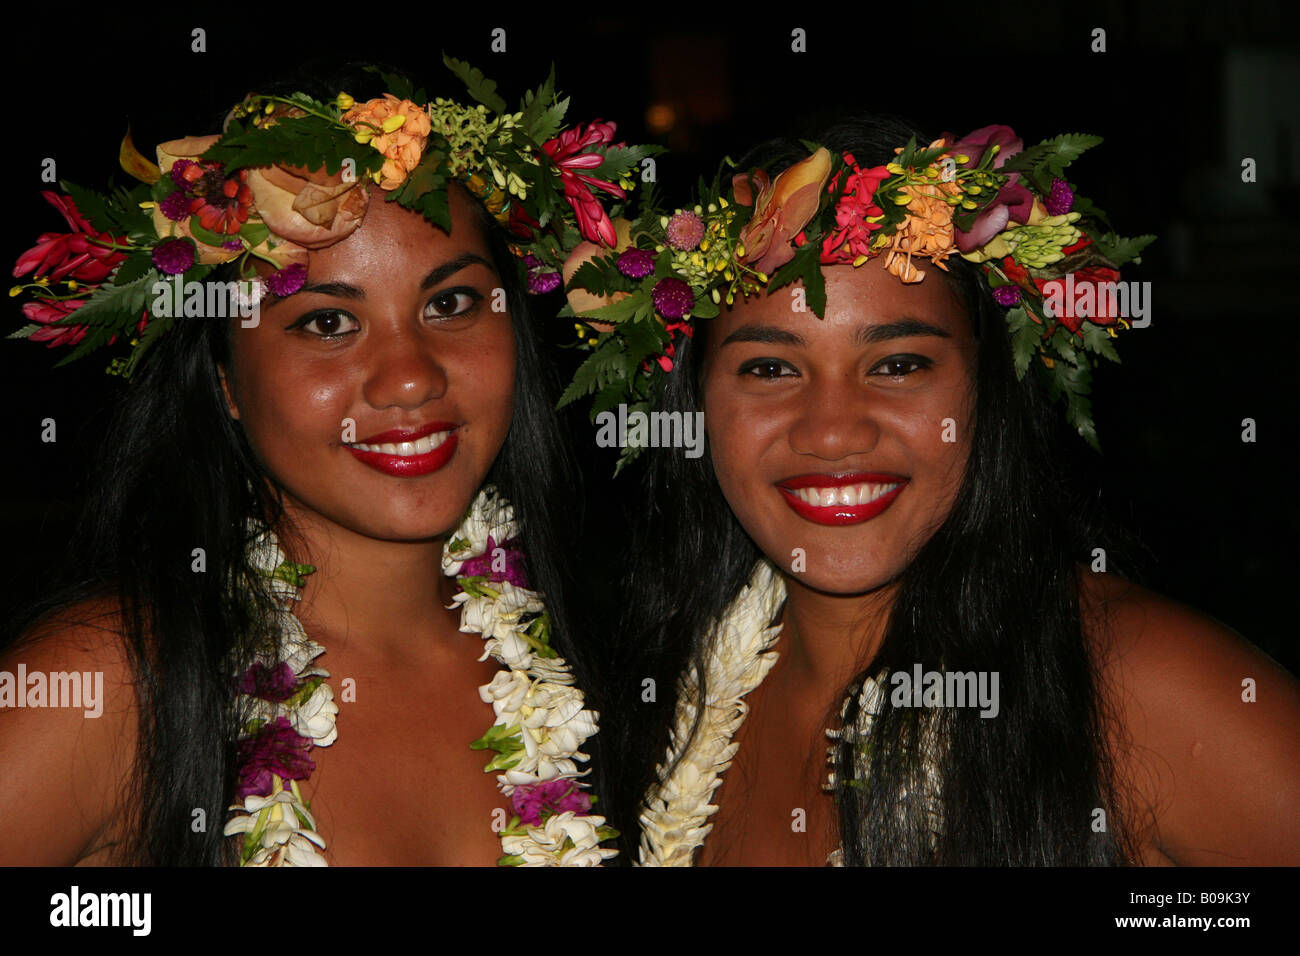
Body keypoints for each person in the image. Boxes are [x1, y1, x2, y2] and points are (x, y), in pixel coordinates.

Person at [562, 116, 1300, 865]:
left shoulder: (1145, 686)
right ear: (697, 405)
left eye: (899, 365)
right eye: (770, 369)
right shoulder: (662, 693)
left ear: (988, 387)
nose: (833, 432)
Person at [0, 62, 654, 866]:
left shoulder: (608, 655)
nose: (411, 375)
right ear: (224, 380)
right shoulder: (108, 681)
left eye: (450, 304)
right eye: (327, 323)